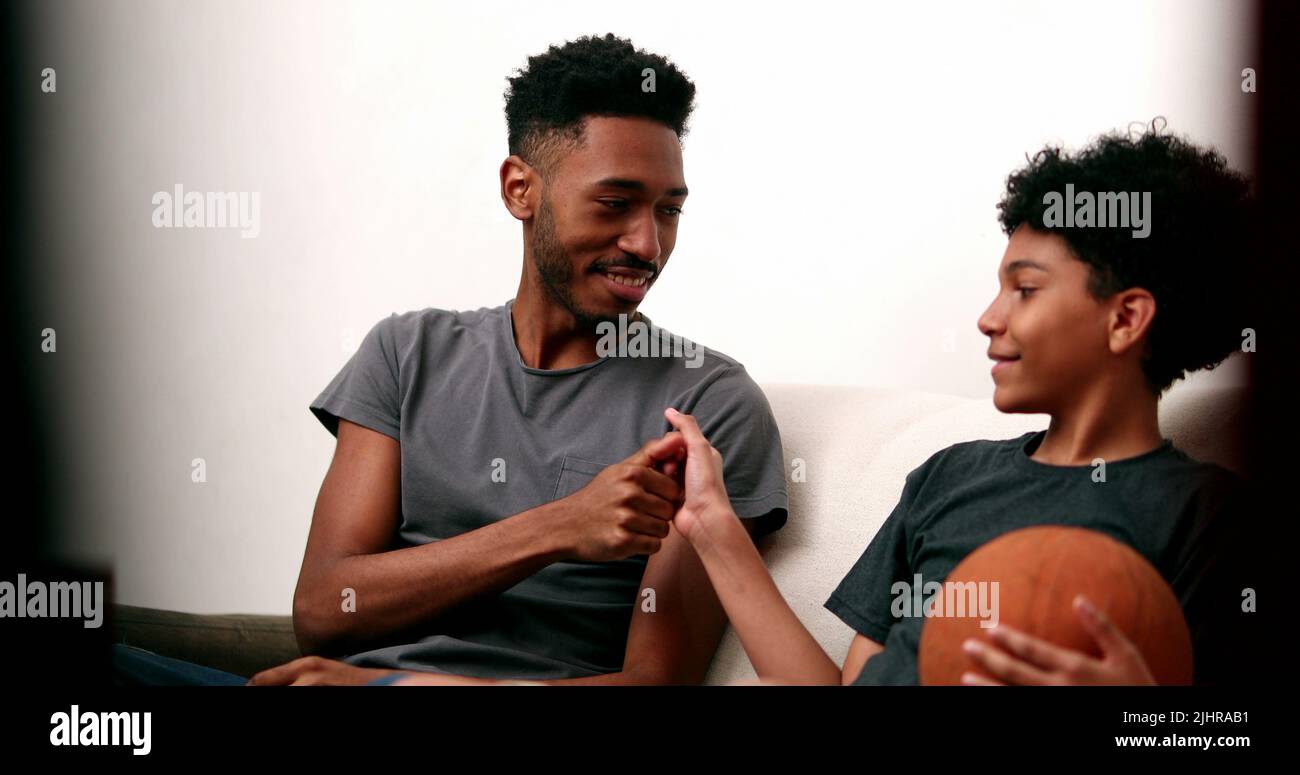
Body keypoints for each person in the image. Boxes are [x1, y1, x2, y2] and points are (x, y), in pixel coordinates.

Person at [117, 33, 789, 687]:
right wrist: (559, 525)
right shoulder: (407, 353)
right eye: (615, 204)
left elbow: (653, 681)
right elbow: (323, 611)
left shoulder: (709, 406)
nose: (647, 242)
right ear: (520, 190)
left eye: (668, 210)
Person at [656, 125, 1258, 686]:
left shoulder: (1208, 517)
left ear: (1125, 318)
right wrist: (712, 526)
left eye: (1024, 289)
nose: (988, 319)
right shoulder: (949, 477)